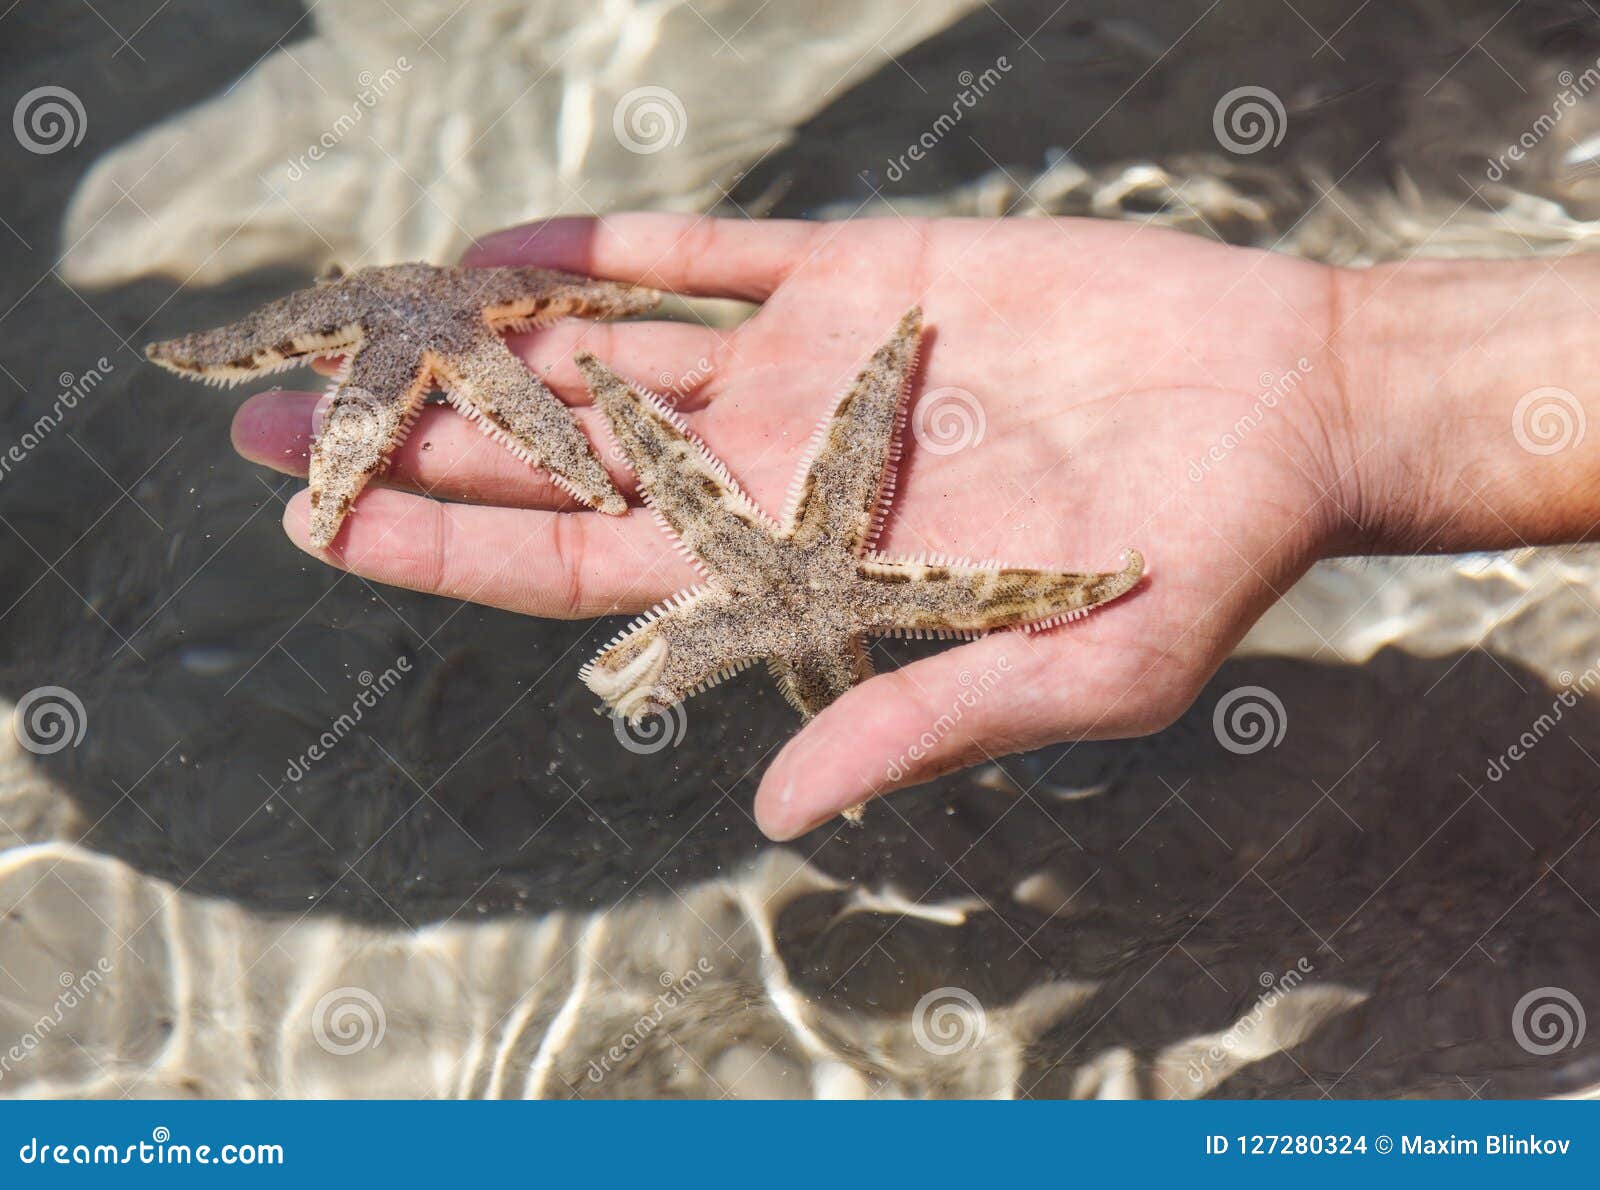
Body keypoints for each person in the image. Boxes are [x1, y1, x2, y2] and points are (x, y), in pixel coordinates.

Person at [230, 213, 1591, 840]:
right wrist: (1354, 383)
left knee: (770, 620)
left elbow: (771, 477)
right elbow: (716, 472)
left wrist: (1348, 389)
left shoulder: (795, 566)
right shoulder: (795, 569)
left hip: (783, 581)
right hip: (783, 579)